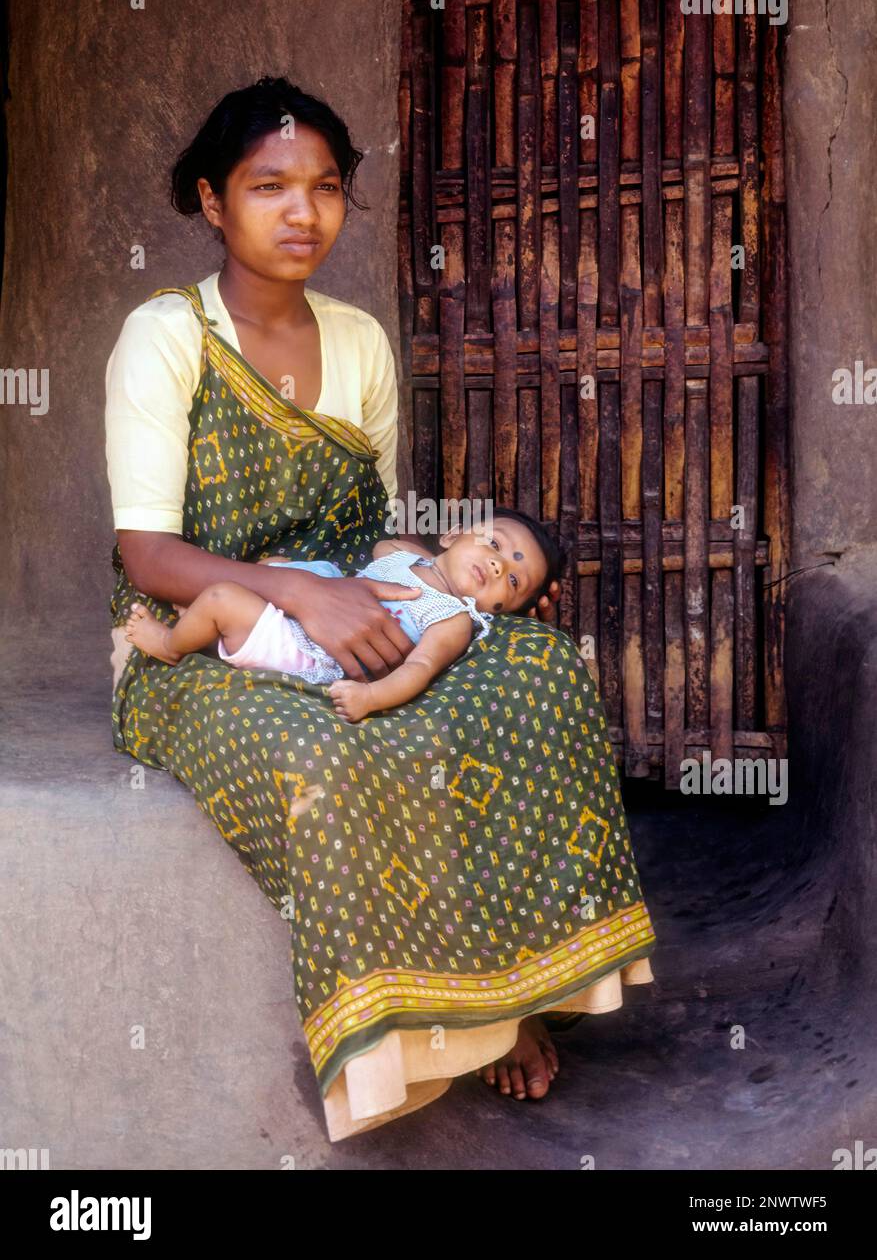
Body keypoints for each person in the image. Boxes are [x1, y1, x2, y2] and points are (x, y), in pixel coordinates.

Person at [105, 75, 656, 1141]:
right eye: (268, 187)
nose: (300, 211)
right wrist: (299, 594)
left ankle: (510, 1001)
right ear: (214, 202)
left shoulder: (357, 339)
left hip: (354, 601)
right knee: (327, 754)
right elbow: (146, 551)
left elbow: (372, 523)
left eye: (322, 186)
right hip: (200, 640)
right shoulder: (165, 337)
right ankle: (428, 1035)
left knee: (534, 671)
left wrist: (404, 605)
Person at [122, 510, 561, 724]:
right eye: (495, 545)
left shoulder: (454, 619)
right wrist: (433, 563)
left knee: (221, 596)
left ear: (501, 611)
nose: (502, 565)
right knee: (278, 565)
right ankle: (207, 623)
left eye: (516, 582)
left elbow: (419, 669)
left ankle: (170, 645)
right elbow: (383, 550)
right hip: (309, 610)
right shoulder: (410, 556)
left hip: (316, 653)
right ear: (451, 534)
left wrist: (371, 698)